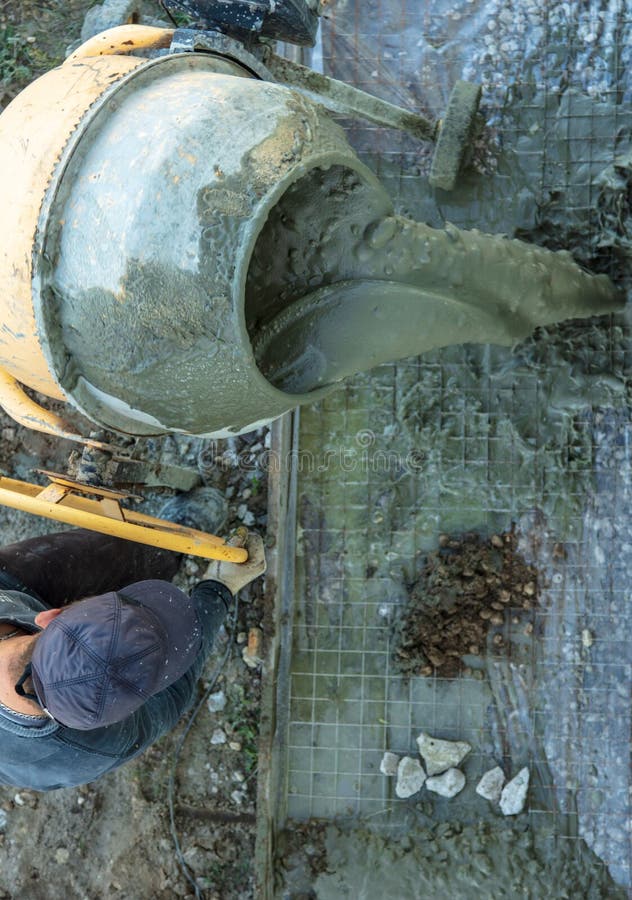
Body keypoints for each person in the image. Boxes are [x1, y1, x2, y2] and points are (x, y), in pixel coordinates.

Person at [0, 524, 265, 791]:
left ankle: (169, 542)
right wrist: (219, 587)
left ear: (49, 617)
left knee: (106, 552)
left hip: (7, 587)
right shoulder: (86, 750)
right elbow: (172, 696)